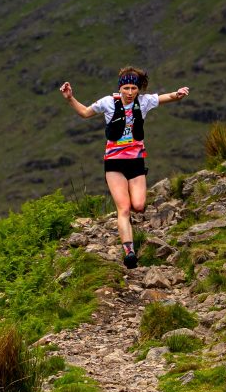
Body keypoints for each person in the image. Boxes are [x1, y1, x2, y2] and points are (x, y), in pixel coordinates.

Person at [59, 67, 189, 268]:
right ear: (120, 88)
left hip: (136, 161)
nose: (129, 92)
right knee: (124, 208)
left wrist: (178, 94)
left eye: (133, 88)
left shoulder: (143, 102)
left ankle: (129, 229)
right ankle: (129, 251)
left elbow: (165, 98)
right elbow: (85, 113)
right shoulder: (108, 103)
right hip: (114, 163)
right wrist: (70, 98)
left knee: (138, 205)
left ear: (138, 89)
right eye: (126, 88)